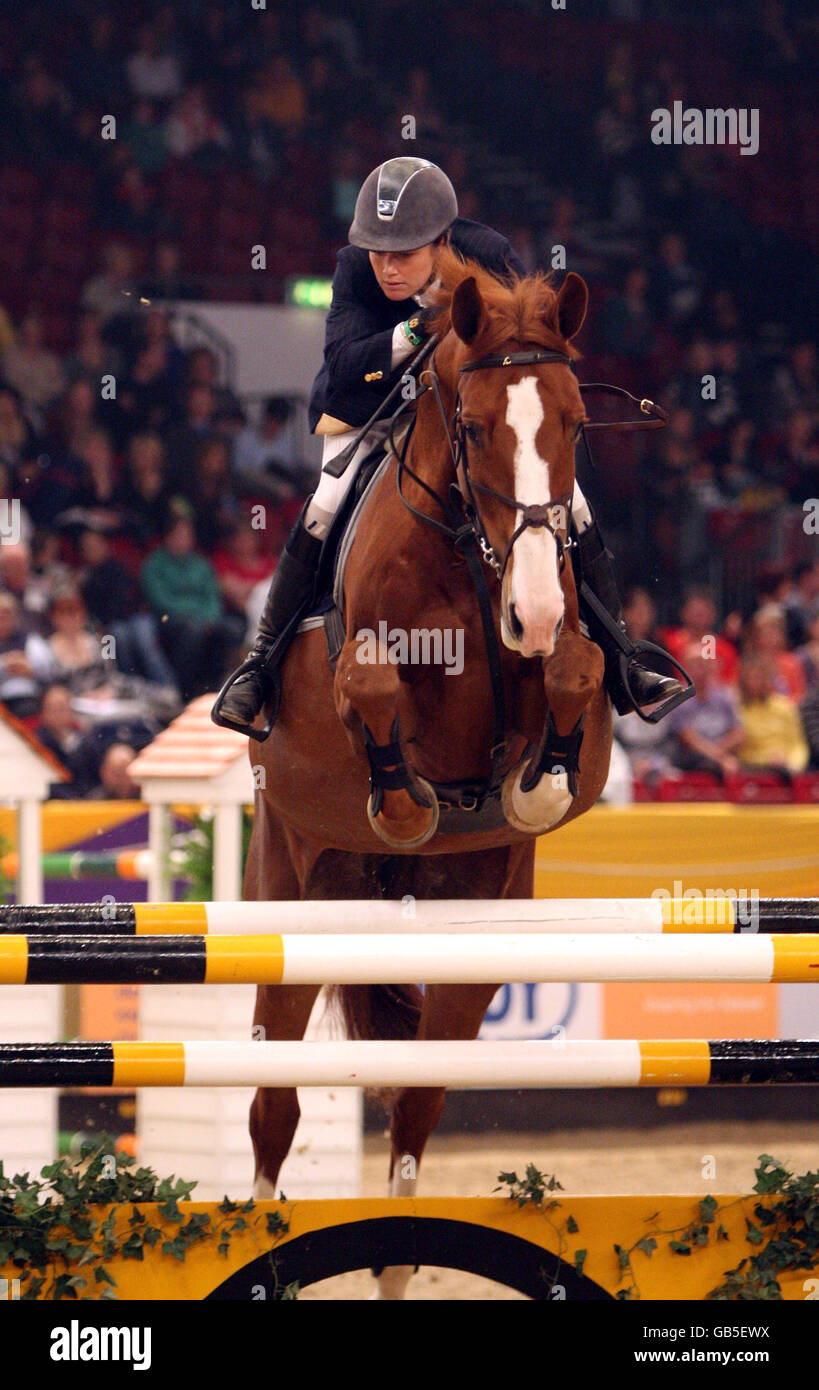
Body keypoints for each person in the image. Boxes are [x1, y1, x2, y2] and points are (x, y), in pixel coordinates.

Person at [214, 156, 687, 735]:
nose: (387, 268)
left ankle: (624, 659)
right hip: (368, 414)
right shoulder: (353, 269)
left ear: (440, 242)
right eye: (378, 251)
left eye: (404, 253)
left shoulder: (488, 252)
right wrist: (419, 328)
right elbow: (341, 366)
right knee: (324, 505)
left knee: (575, 503)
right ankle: (260, 665)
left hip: (464, 415)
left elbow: (524, 339)